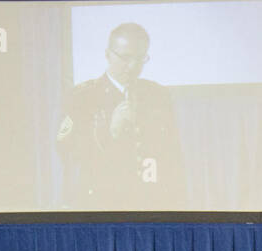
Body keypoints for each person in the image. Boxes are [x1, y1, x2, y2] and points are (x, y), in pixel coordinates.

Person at [56, 22, 186, 210]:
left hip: (150, 202)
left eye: (140, 58)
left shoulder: (157, 95)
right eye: (125, 58)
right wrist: (110, 132)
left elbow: (172, 156)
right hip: (102, 202)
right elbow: (66, 150)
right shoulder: (83, 97)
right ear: (108, 55)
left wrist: (178, 204)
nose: (132, 66)